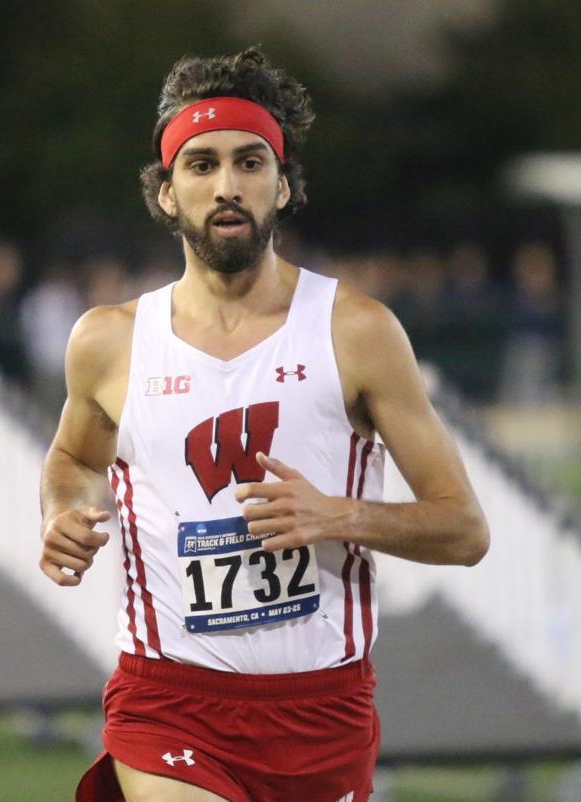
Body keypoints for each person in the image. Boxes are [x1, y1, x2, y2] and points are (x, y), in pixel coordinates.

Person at [38, 49, 489, 802]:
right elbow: (76, 461)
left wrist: (337, 515)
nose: (227, 185)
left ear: (282, 185)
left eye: (249, 162)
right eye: (202, 164)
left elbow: (464, 529)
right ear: (167, 192)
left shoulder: (356, 331)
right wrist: (63, 513)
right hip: (167, 700)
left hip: (320, 710)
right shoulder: (109, 341)